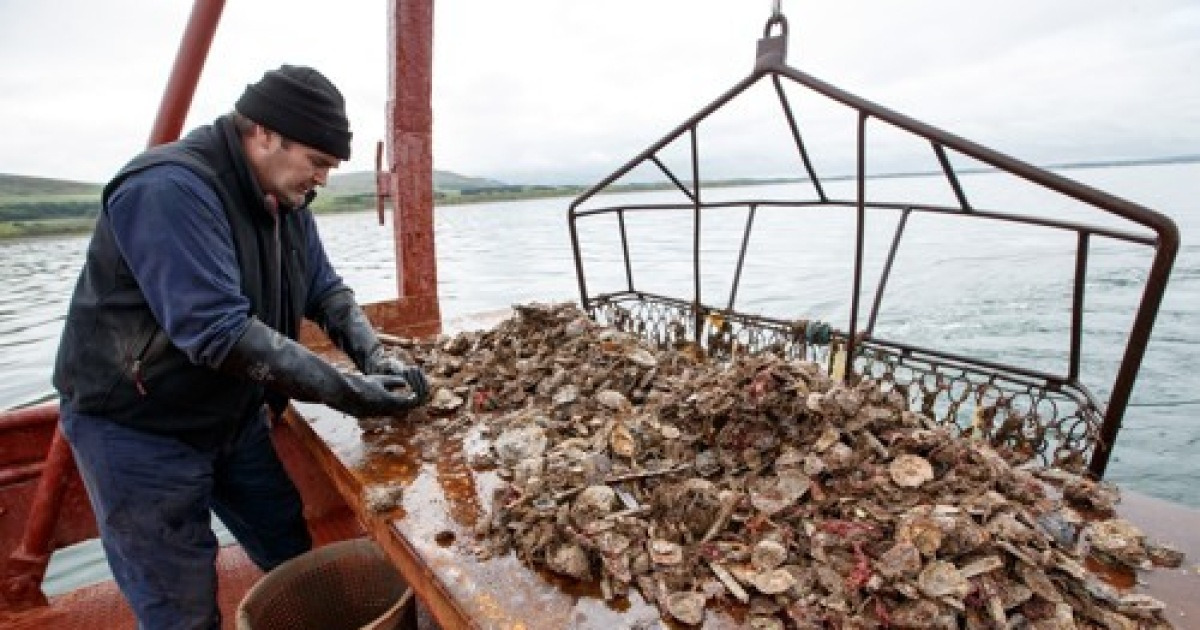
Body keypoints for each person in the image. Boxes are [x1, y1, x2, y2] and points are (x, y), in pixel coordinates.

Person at [52, 65, 428, 629]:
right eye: (318, 162)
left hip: (231, 414)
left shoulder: (285, 198)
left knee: (289, 546)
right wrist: (351, 393)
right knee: (179, 607)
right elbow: (219, 332)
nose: (323, 179)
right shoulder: (168, 190)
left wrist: (374, 356)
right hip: (140, 429)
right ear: (265, 133)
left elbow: (325, 290)